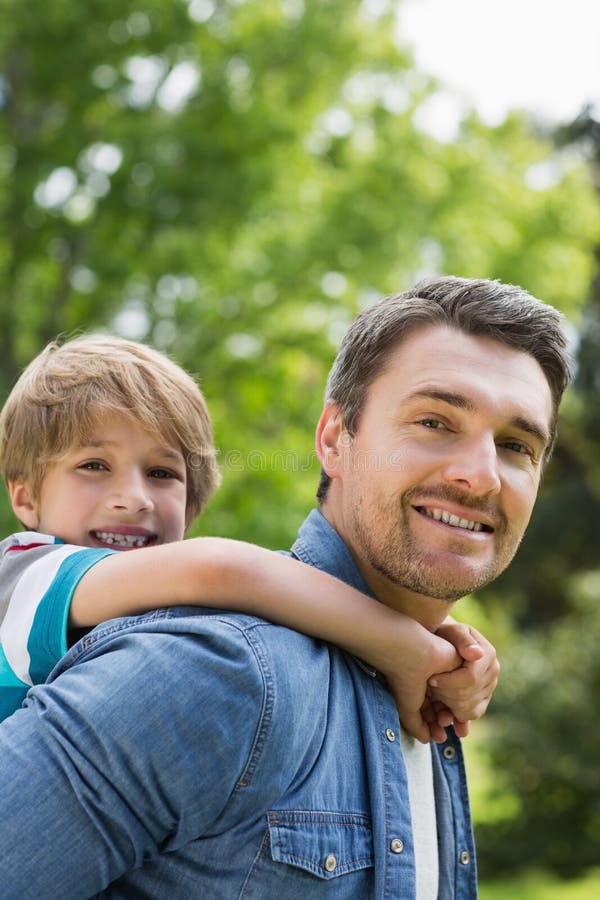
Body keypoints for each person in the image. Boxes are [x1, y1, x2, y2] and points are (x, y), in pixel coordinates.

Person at [0, 276, 571, 898]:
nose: (480, 476)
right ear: (334, 439)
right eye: (434, 421)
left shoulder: (417, 689)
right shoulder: (216, 671)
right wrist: (406, 645)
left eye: (516, 445)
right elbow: (227, 569)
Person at [0, 334, 493, 736]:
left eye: (161, 473)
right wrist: (404, 645)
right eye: (93, 465)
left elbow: (276, 590)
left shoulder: (170, 609)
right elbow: (225, 571)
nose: (135, 498)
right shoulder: (24, 574)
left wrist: (434, 636)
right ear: (24, 497)